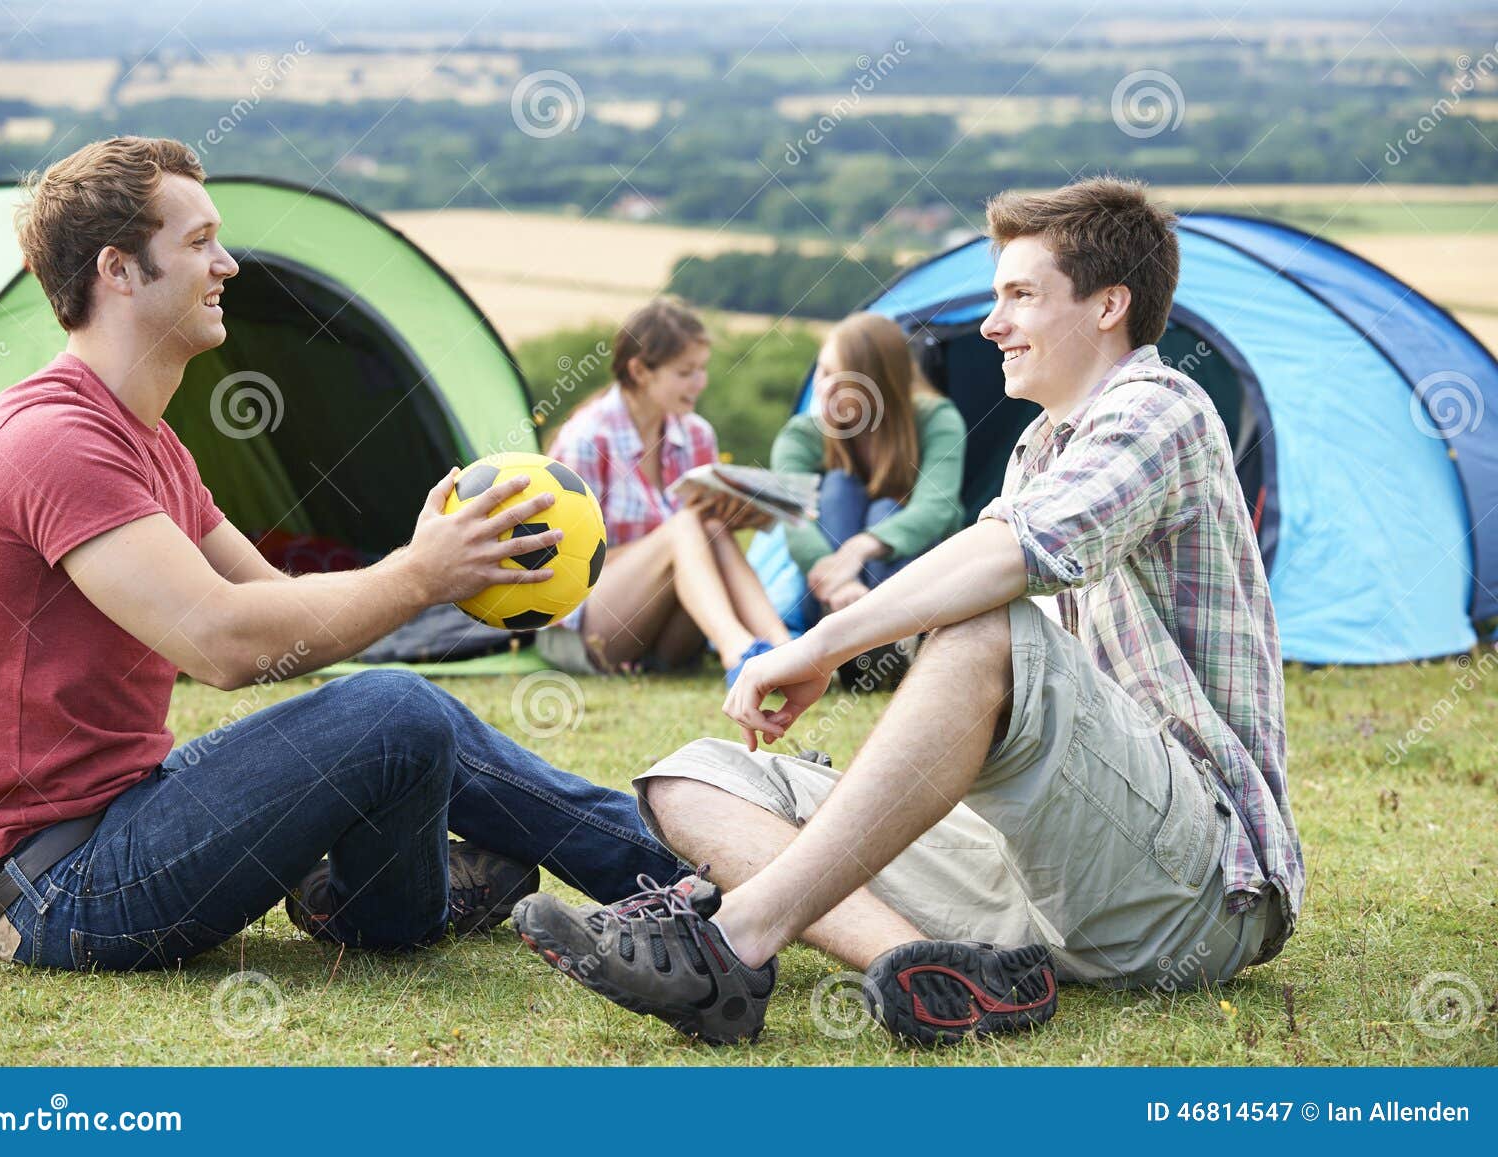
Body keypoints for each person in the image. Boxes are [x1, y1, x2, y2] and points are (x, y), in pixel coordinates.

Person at [512, 177, 1303, 1047]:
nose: (994, 323)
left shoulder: (1163, 410)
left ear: (1109, 304)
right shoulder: (1039, 450)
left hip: (1194, 885)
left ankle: (731, 943)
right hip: (1044, 879)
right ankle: (947, 971)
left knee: (990, 620)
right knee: (693, 779)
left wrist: (817, 644)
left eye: (1020, 296)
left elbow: (1009, 557)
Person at [0, 136, 681, 972]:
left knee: (401, 722)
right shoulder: (51, 440)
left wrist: (431, 560)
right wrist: (418, 574)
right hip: (56, 885)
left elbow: (275, 601)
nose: (228, 264)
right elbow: (227, 641)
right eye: (199, 241)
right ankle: (673, 873)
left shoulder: (152, 445)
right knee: (399, 710)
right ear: (120, 270)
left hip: (128, 811)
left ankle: (385, 900)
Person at [540, 299, 790, 684]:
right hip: (589, 624)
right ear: (639, 371)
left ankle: (784, 650)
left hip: (664, 635)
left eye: (702, 370)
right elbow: (565, 563)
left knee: (707, 529)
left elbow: (702, 541)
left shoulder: (696, 434)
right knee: (685, 527)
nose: (700, 383)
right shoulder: (587, 438)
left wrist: (739, 514)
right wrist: (665, 546)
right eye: (685, 372)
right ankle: (738, 651)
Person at [770, 311, 965, 686]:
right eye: (822, 372)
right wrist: (838, 578)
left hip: (909, 587)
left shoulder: (936, 419)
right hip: (830, 592)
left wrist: (860, 548)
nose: (823, 389)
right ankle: (854, 642)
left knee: (886, 509)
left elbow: (936, 506)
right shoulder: (802, 435)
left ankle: (881, 646)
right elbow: (792, 514)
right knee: (839, 486)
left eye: (840, 379)